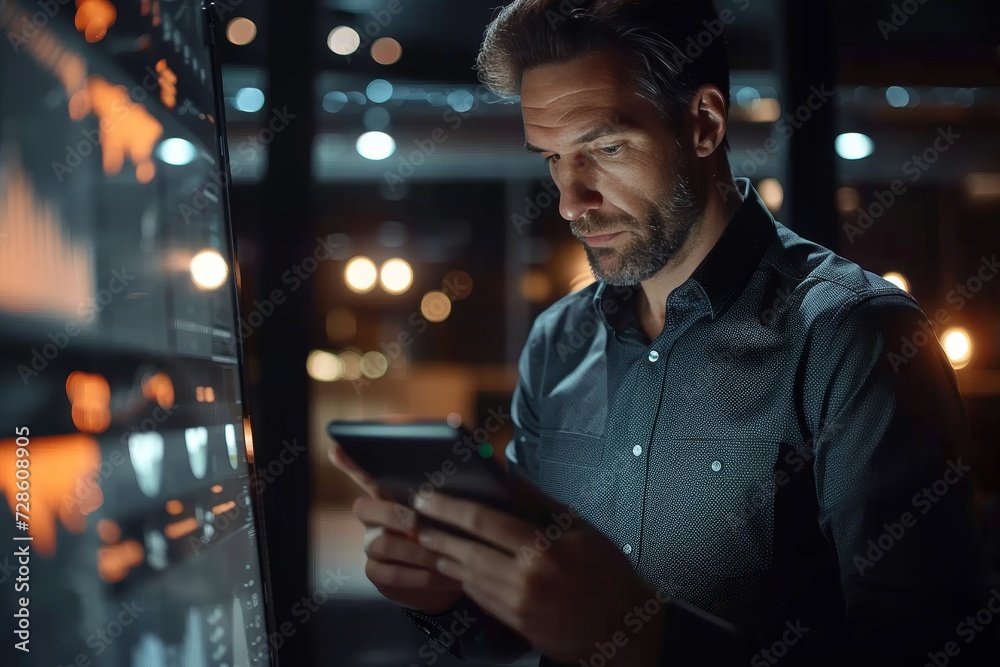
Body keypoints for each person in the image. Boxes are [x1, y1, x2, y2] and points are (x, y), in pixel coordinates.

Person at [330, 1, 994, 664]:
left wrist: (651, 640)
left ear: (703, 124)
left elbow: (926, 650)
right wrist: (445, 595)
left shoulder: (853, 336)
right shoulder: (556, 342)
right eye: (553, 159)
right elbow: (517, 638)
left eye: (605, 148)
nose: (570, 200)